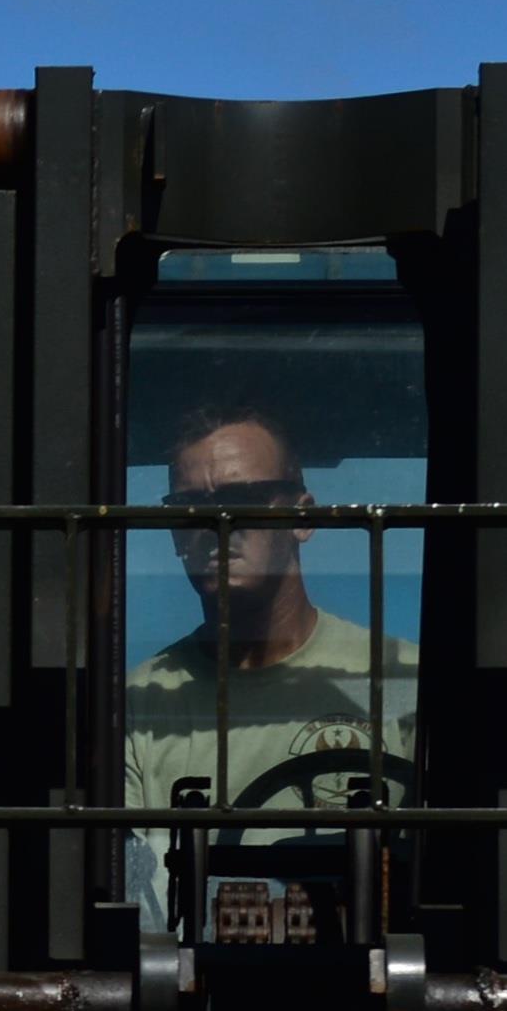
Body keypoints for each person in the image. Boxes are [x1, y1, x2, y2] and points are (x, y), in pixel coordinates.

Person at [123, 393, 416, 937]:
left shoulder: (398, 681)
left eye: (244, 498)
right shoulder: (140, 706)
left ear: (303, 516)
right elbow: (140, 909)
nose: (218, 523)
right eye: (190, 507)